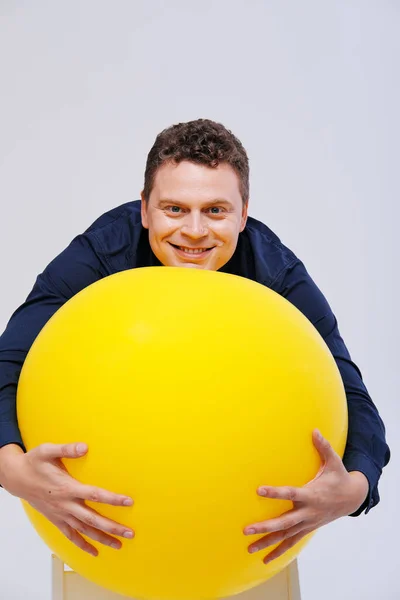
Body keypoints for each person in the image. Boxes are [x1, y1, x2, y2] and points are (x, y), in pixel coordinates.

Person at [0, 119, 390, 564]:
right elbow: (8, 362)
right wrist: (12, 471)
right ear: (145, 209)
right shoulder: (100, 255)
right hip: (102, 525)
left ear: (244, 214)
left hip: (244, 536)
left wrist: (354, 488)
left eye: (216, 211)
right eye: (175, 209)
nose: (195, 231)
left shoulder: (277, 274)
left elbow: (351, 394)